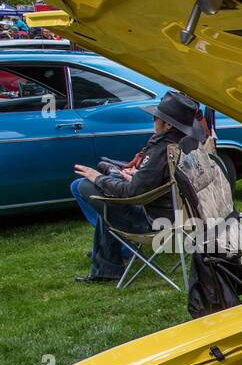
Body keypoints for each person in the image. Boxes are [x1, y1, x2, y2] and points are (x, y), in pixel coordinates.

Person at [70, 90, 203, 284]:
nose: (152, 121)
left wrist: (98, 178)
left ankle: (111, 260)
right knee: (106, 190)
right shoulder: (185, 144)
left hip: (157, 223)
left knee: (86, 187)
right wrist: (134, 176)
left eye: (155, 118)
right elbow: (157, 181)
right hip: (181, 216)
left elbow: (132, 193)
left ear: (167, 124)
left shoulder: (162, 149)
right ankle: (107, 263)